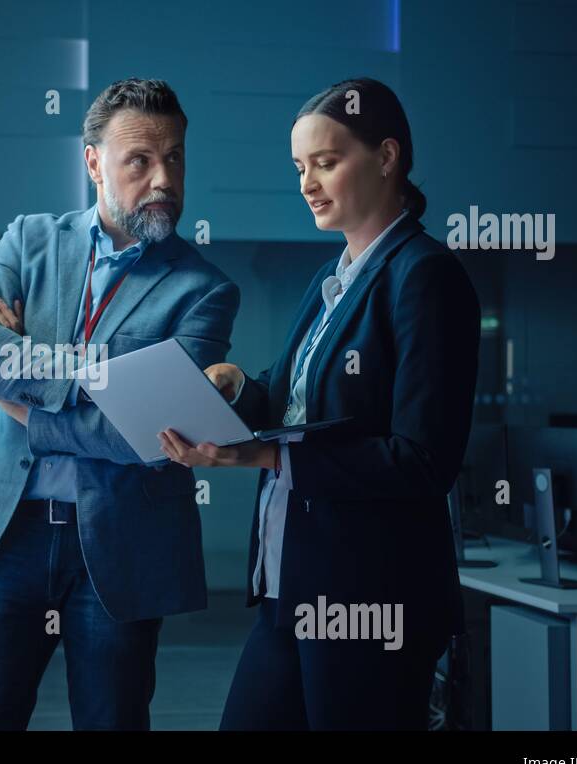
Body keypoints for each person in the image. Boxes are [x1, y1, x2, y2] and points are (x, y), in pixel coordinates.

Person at [159, 77, 480, 730]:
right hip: (293, 585)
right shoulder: (332, 278)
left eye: (326, 162)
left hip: (370, 598)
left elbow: (421, 459)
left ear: (386, 157)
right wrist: (240, 388)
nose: (307, 182)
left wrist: (271, 456)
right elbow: (293, 398)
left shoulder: (425, 276)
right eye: (301, 167)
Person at [0, 78, 239, 730]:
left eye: (175, 156)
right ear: (93, 161)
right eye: (141, 159)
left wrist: (20, 371)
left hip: (119, 552)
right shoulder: (30, 240)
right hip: (3, 536)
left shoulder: (204, 290)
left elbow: (144, 438)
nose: (163, 177)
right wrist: (99, 374)